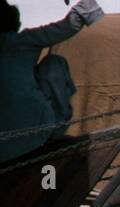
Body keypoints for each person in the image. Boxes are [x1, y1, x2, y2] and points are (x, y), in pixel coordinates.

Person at [0, 0, 105, 164]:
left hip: (6, 140)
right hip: (32, 129)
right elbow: (68, 26)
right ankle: (57, 127)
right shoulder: (20, 41)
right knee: (54, 64)